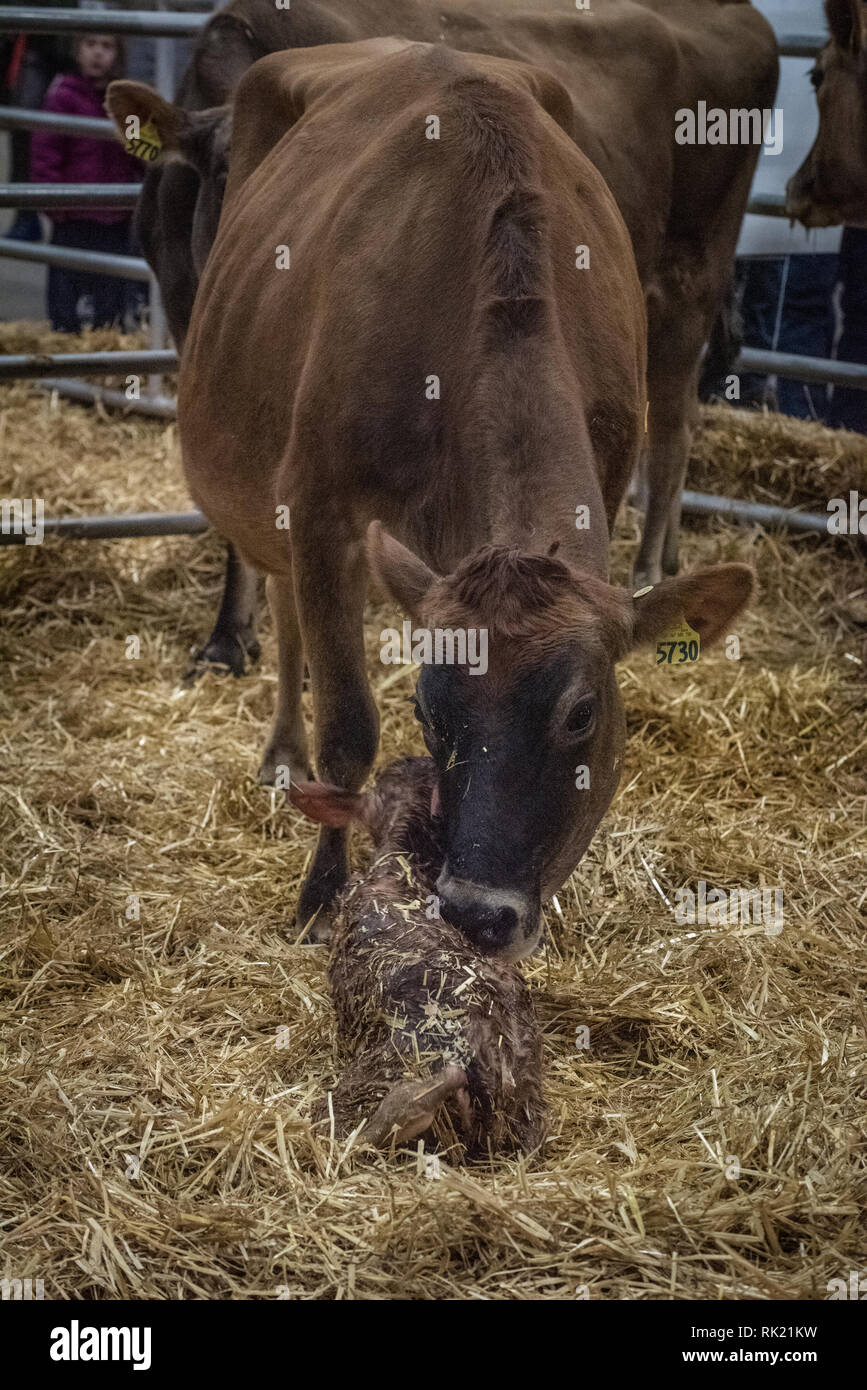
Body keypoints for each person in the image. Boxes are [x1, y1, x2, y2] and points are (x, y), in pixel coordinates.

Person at [29, 32, 140, 332]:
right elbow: (45, 154)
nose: (98, 54)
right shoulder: (62, 96)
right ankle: (66, 343)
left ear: (119, 54)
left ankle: (103, 348)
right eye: (90, 45)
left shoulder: (125, 101)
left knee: (110, 298)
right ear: (77, 50)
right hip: (73, 215)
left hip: (114, 217)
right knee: (66, 294)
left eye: (107, 46)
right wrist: (54, 204)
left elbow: (141, 155)